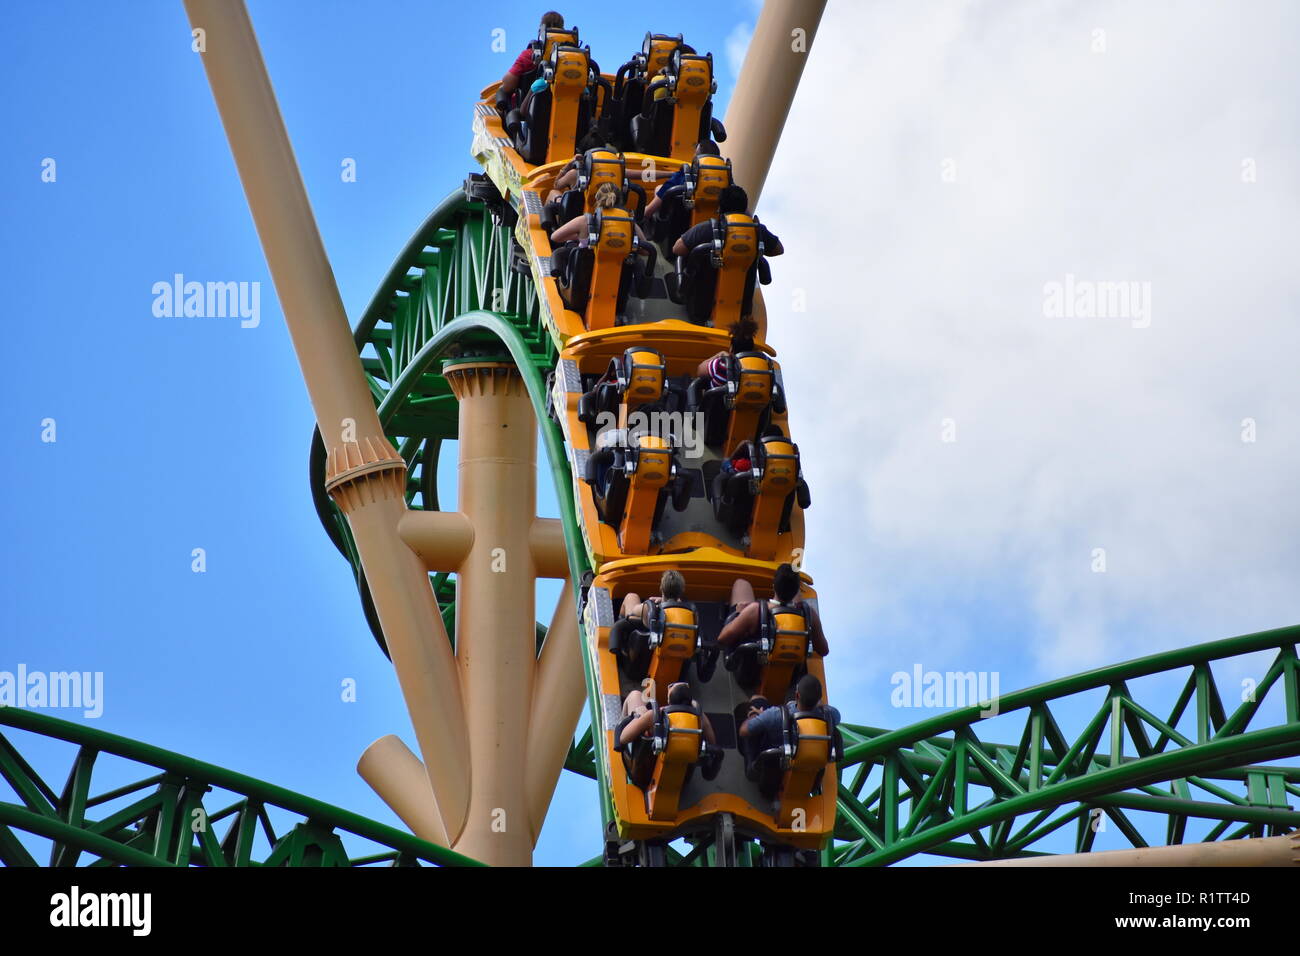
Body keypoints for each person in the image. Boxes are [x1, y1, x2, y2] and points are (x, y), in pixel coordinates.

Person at [716, 562, 828, 655]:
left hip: (753, 673)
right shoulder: (809, 615)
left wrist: (738, 613)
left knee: (741, 584)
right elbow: (823, 650)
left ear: (773, 585)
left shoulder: (754, 611)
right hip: (788, 676)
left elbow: (722, 639)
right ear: (796, 590)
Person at [671, 184, 784, 260]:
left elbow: (677, 249)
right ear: (744, 208)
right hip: (743, 293)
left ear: (720, 208)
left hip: (703, 291)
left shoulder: (707, 229)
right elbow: (779, 249)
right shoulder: (759, 232)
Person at [738, 674, 839, 753]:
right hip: (806, 759)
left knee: (758, 699)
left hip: (777, 759)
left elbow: (743, 731)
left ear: (796, 695)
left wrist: (757, 715)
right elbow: (834, 714)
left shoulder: (775, 715)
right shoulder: (831, 715)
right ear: (819, 699)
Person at [498, 11, 565, 110]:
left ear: (541, 31)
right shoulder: (572, 59)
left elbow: (508, 84)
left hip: (531, 114)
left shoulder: (529, 55)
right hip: (565, 109)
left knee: (501, 92)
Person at [619, 680, 717, 748]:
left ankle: (620, 722)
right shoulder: (699, 716)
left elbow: (623, 738)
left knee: (635, 695)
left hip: (649, 753)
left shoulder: (654, 715)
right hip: (681, 756)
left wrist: (639, 716)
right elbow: (712, 742)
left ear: (669, 700)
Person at [643, 141, 721, 221]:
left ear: (696, 158)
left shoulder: (682, 176)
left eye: (695, 154)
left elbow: (648, 212)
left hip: (679, 225)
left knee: (659, 189)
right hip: (713, 223)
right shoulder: (725, 182)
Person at [695, 316, 758, 386]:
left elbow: (699, 371)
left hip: (716, 396)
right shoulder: (760, 369)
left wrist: (719, 354)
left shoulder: (723, 365)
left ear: (732, 349)